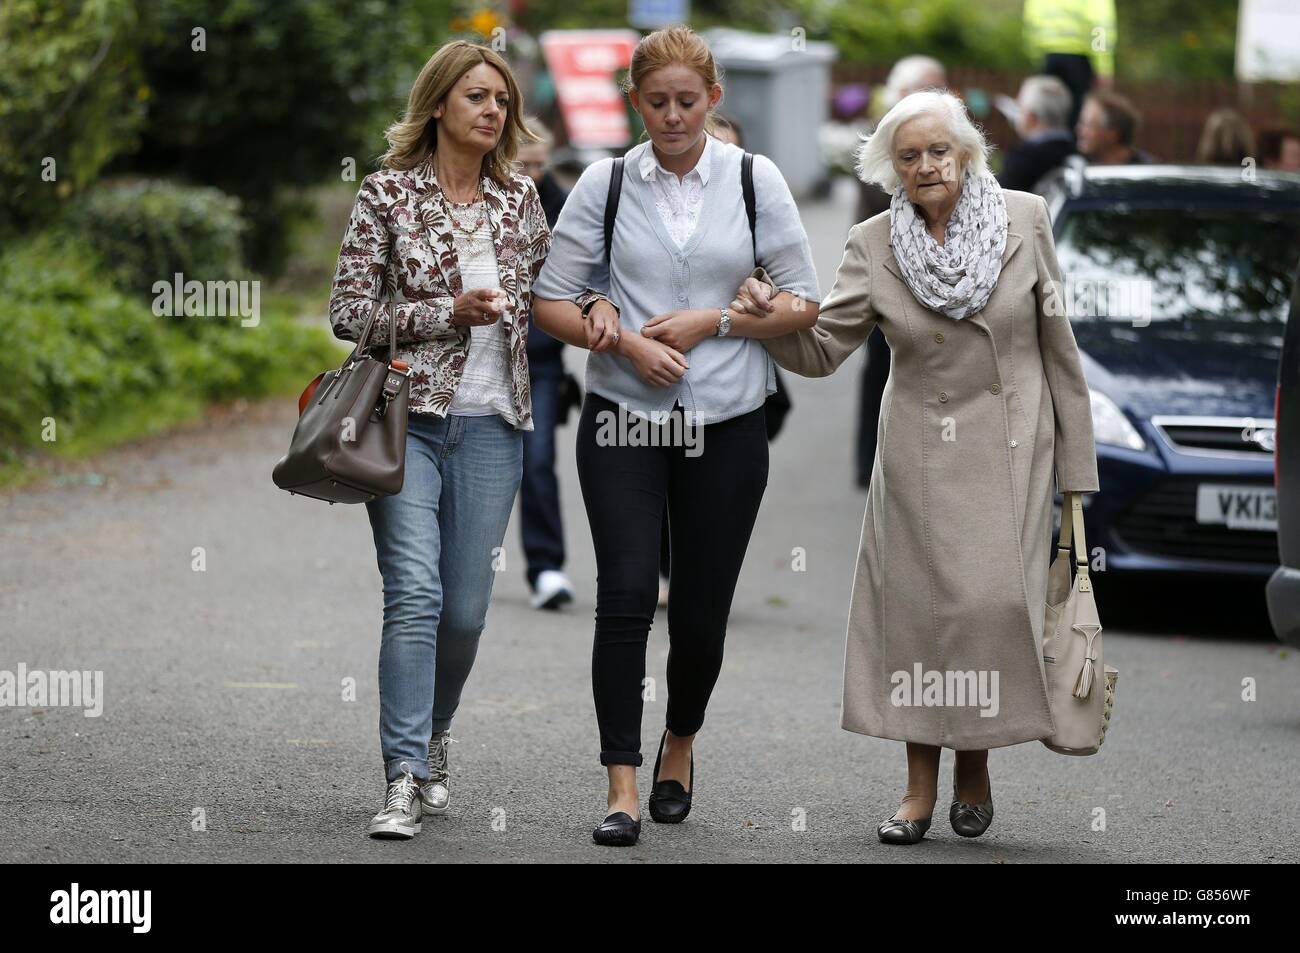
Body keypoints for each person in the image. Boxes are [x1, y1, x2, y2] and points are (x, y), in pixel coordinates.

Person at [750, 89, 1099, 845]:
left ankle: (973, 767)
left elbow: (1058, 348)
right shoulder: (873, 243)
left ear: (967, 152)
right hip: (916, 454)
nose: (926, 165)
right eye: (909, 156)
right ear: (891, 169)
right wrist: (764, 323)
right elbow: (822, 348)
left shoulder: (1025, 218)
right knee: (917, 617)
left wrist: (1079, 469)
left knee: (983, 610)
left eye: (939, 150)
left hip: (1010, 449)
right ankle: (917, 788)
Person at [532, 25, 821, 848]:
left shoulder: (757, 182)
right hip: (621, 417)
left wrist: (723, 319)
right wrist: (616, 336)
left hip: (728, 425)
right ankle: (621, 778)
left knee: (699, 615)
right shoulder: (606, 183)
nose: (671, 116)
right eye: (655, 102)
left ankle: (680, 740)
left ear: (713, 100)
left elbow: (808, 303)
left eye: (686, 102)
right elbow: (550, 301)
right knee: (624, 594)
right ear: (635, 103)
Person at [327, 40, 551, 839]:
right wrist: (443, 313)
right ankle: (403, 777)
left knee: (465, 607)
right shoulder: (387, 193)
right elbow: (348, 313)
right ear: (438, 105)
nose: (492, 111)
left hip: (494, 424)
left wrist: (602, 314)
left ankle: (434, 731)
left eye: (500, 100)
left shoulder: (521, 199)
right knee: (415, 595)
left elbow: (550, 295)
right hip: (403, 422)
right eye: (476, 97)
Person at [855, 56, 948, 488]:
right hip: (892, 272)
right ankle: (870, 463)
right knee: (881, 369)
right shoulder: (887, 138)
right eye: (928, 88)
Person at [516, 118, 578, 610]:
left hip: (541, 362)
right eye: (523, 165)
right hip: (479, 357)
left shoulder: (563, 207)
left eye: (540, 165)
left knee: (538, 463)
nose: (533, 175)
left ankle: (547, 568)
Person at [1023, 0, 1117, 129]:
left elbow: (1031, 22)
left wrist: (1036, 58)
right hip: (1079, 59)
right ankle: (1071, 147)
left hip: (1049, 58)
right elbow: (1100, 26)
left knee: (1047, 114)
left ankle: (1049, 146)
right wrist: (1103, 65)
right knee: (1077, 115)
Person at [999, 75, 1077, 193]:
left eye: (1019, 107)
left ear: (1031, 118)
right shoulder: (1079, 152)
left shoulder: (1022, 161)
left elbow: (996, 204)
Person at [1076, 90, 1156, 165]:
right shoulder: (1076, 168)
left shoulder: (1148, 171)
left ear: (1113, 133)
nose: (1079, 130)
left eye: (1088, 125)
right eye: (1081, 123)